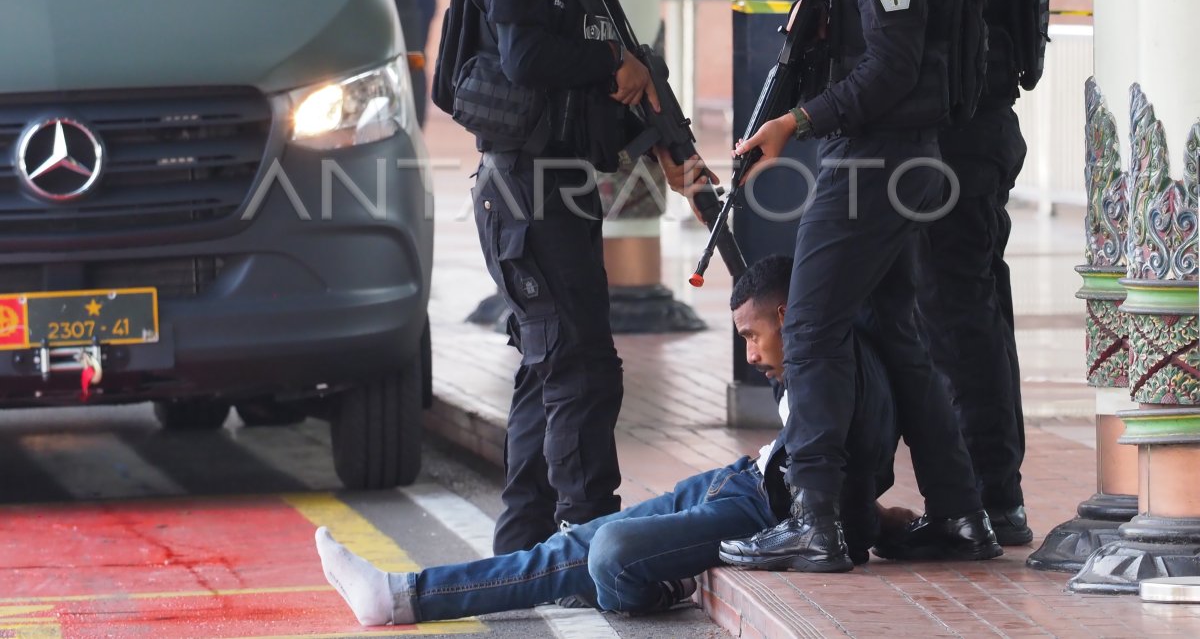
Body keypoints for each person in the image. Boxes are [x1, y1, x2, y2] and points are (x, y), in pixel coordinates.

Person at [717, 0, 1001, 571]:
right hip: (895, 158)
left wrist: (796, 121)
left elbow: (890, 70)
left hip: (879, 161)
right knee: (896, 335)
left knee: (808, 326)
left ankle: (814, 520)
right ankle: (961, 513)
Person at [314, 255, 907, 626]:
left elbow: (844, 469)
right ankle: (400, 595)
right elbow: (837, 463)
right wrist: (879, 520)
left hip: (752, 511)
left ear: (786, 313)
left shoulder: (821, 360)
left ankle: (403, 597)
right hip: (734, 482)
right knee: (566, 550)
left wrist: (874, 524)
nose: (750, 356)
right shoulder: (825, 358)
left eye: (754, 337)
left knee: (606, 554)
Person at [467, 0, 690, 556]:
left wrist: (674, 150)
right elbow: (527, 60)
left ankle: (521, 544)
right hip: (522, 191)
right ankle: (591, 536)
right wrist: (612, 65)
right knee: (581, 369)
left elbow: (627, 82)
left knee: (550, 367)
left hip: (564, 190)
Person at [909, 0, 1033, 547]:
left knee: (953, 320)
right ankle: (1002, 488)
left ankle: (985, 494)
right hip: (992, 134)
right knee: (985, 310)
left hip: (951, 143)